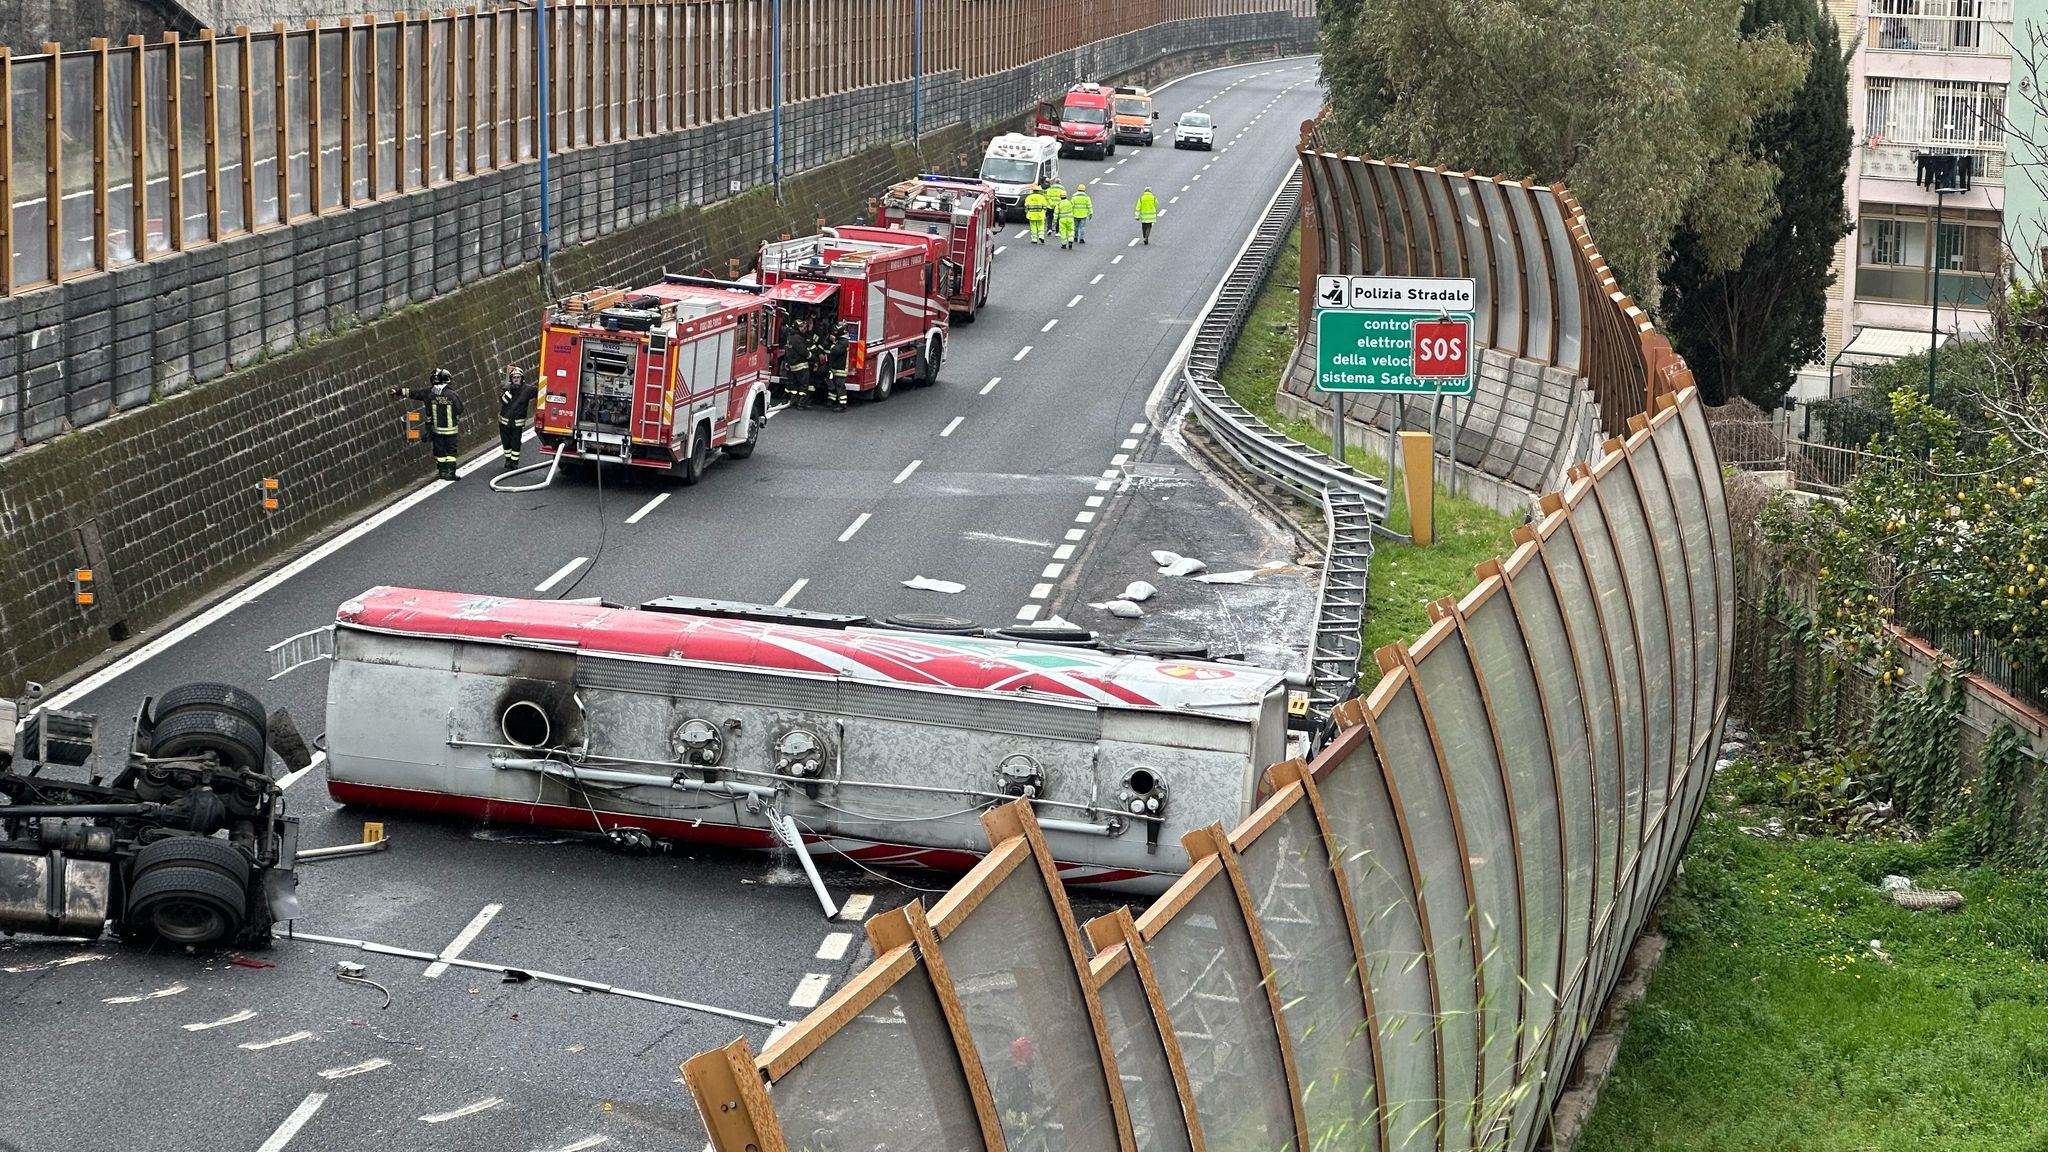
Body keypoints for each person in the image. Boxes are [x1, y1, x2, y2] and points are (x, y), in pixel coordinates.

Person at [389, 367, 465, 481]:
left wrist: (398, 392)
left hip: (436, 430)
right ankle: (451, 473)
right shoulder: (452, 395)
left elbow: (414, 393)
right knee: (451, 452)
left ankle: (442, 472)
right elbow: (459, 409)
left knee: (440, 452)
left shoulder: (430, 394)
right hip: (451, 430)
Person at [496, 365, 535, 473]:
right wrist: (509, 391)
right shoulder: (506, 389)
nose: (516, 379)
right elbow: (504, 401)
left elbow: (539, 392)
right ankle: (508, 460)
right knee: (506, 443)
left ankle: (514, 462)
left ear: (522, 378)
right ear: (511, 379)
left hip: (517, 423)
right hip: (504, 422)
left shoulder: (527, 389)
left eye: (518, 377)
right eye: (514, 377)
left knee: (515, 442)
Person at [825, 324, 854, 410]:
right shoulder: (840, 340)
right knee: (833, 384)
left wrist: (833, 342)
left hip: (840, 369)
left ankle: (842, 405)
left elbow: (835, 351)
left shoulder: (843, 342)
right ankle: (831, 400)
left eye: (837, 331)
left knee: (840, 386)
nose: (835, 333)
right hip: (836, 367)